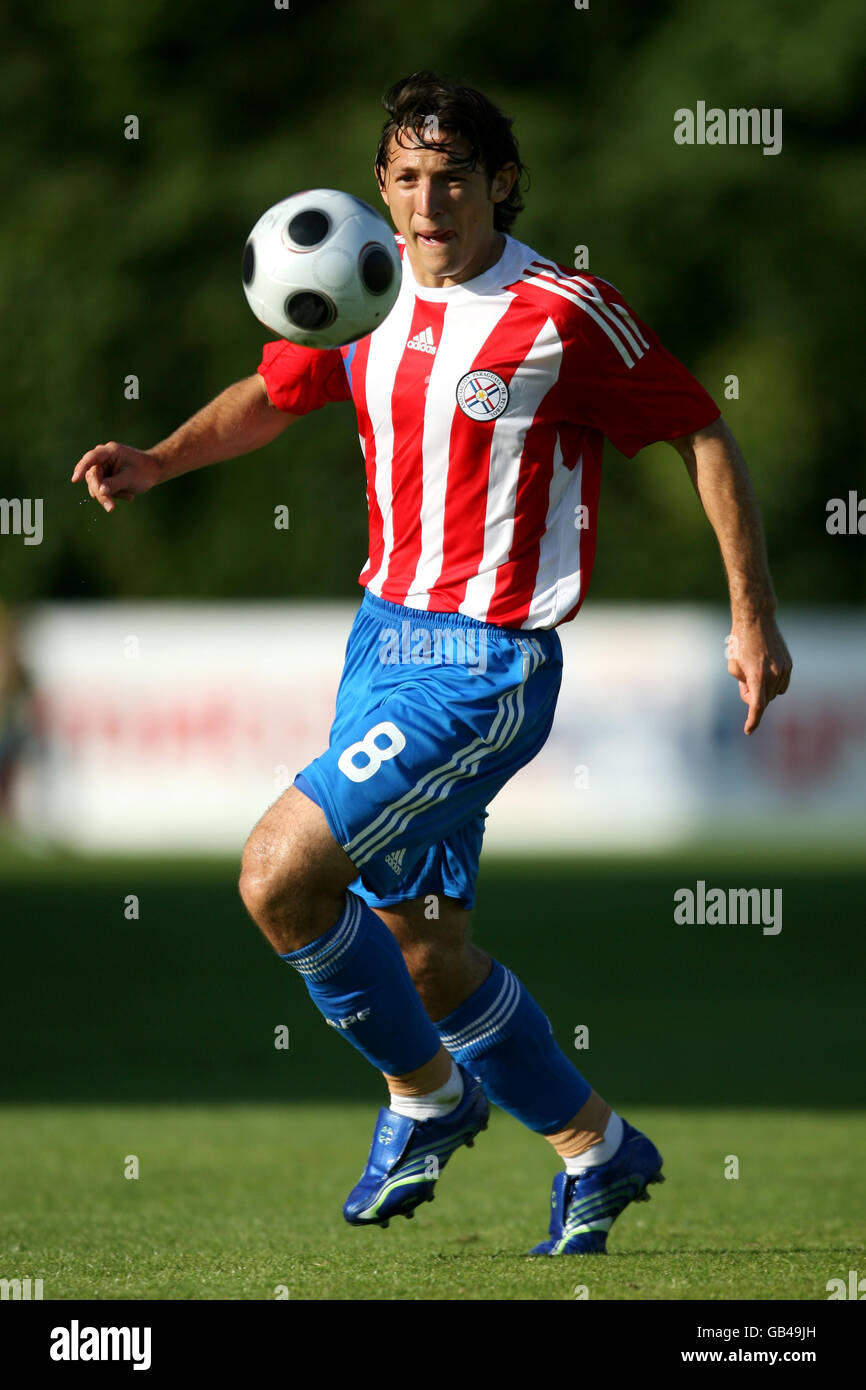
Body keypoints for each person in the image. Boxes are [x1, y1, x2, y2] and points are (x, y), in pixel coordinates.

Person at [71, 70, 792, 1255]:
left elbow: (696, 428)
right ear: (378, 190)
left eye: (451, 177)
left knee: (275, 876)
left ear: (499, 184)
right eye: (404, 177)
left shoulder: (561, 312)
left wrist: (749, 616)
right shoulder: (362, 289)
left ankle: (425, 1094)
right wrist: (159, 459)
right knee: (420, 946)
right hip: (381, 641)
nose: (425, 201)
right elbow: (276, 389)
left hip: (487, 666)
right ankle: (596, 1148)